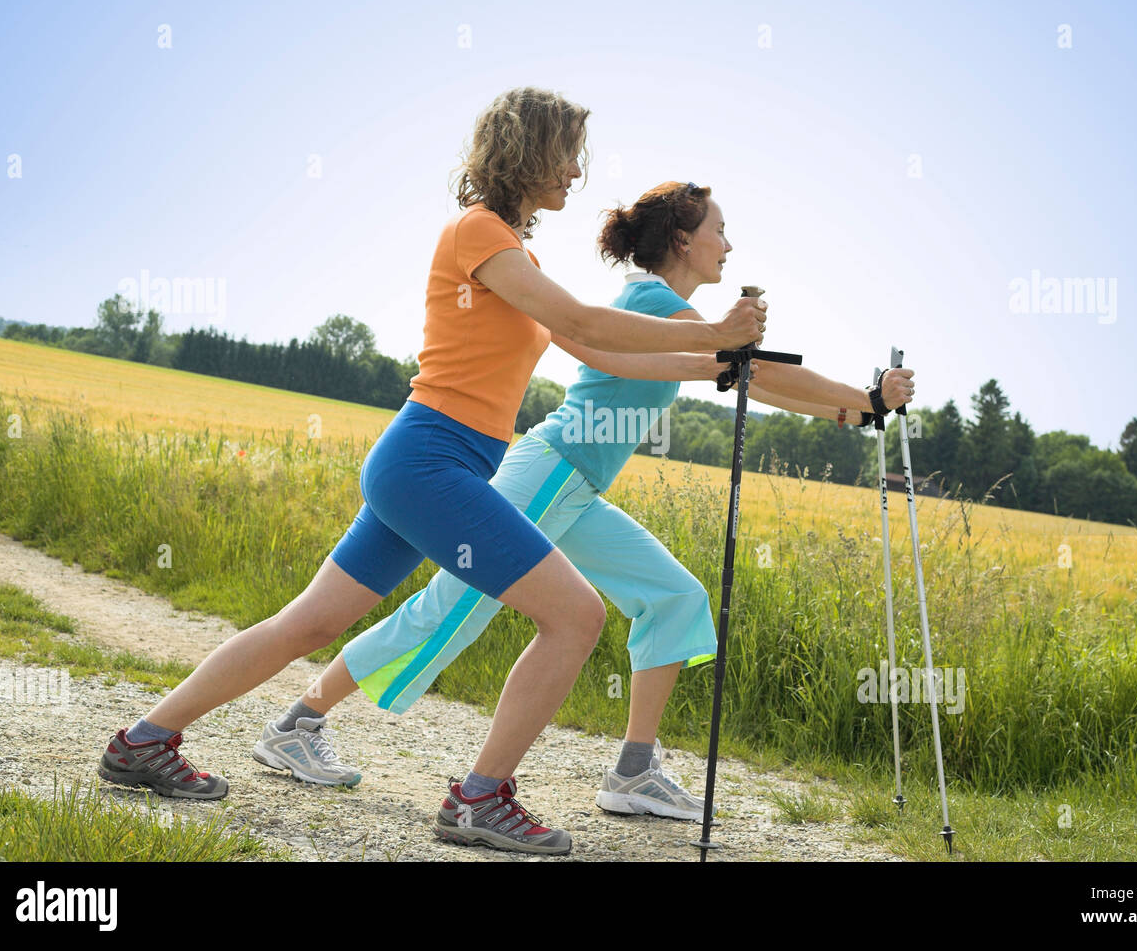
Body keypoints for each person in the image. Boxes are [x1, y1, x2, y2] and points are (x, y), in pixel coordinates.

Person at [95, 87, 765, 838]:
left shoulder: (515, 255)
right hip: (429, 461)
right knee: (575, 615)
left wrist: (717, 358)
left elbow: (592, 345)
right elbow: (579, 319)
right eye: (568, 153)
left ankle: (142, 743)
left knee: (305, 624)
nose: (576, 171)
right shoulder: (477, 234)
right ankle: (480, 799)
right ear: (531, 151)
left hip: (433, 465)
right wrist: (717, 335)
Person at [270, 181, 915, 855]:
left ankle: (634, 773)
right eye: (720, 230)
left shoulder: (677, 316)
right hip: (548, 471)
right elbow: (753, 368)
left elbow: (748, 375)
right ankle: (300, 721)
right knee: (452, 609)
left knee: (673, 596)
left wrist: (860, 408)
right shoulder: (649, 300)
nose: (729, 245)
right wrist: (863, 400)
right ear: (682, 240)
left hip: (576, 490)